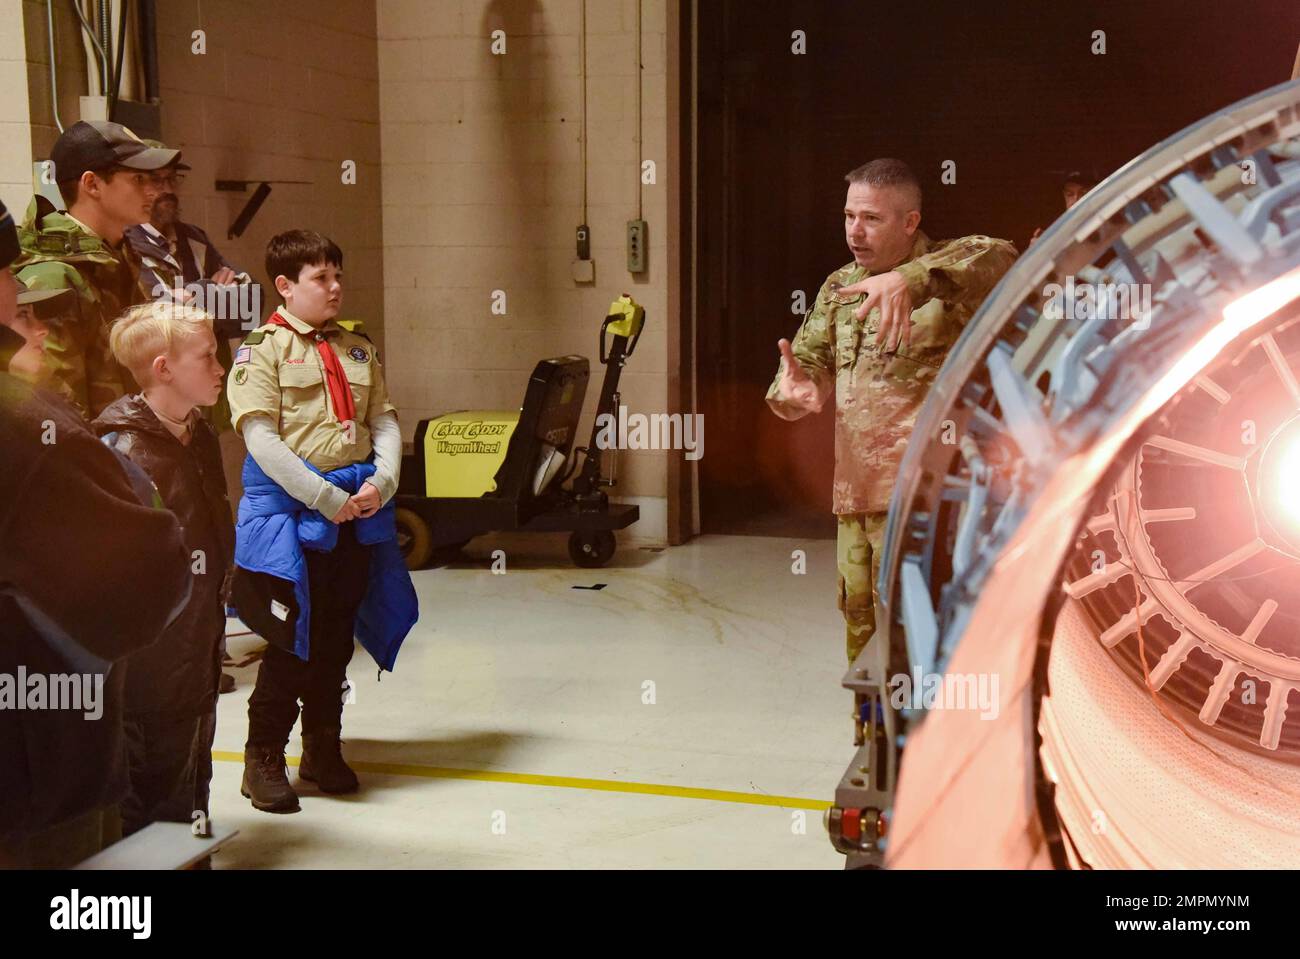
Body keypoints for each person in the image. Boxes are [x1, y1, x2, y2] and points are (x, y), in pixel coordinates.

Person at [0, 199, 192, 867]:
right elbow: (149, 571)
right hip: (35, 783)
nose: (22, 298)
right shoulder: (24, 423)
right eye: (8, 281)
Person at [766, 158, 1017, 665]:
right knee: (862, 629)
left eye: (872, 219)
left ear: (910, 222)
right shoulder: (840, 287)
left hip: (925, 504)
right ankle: (871, 734)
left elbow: (1003, 255)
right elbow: (810, 362)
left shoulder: (948, 277)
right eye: (849, 216)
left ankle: (927, 742)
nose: (855, 232)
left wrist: (912, 278)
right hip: (855, 498)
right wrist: (793, 389)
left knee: (926, 630)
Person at [227, 229, 416, 813]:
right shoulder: (261, 350)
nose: (334, 288)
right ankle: (262, 758)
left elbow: (381, 421)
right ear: (284, 286)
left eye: (337, 275)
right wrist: (325, 500)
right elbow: (262, 440)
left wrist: (381, 484)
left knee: (335, 638)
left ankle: (321, 747)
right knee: (291, 639)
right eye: (320, 278)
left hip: (357, 513)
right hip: (293, 517)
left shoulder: (357, 346)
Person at [92, 302, 234, 838]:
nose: (220, 367)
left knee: (190, 783)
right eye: (206, 357)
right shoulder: (122, 451)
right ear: (164, 369)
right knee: (150, 798)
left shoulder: (197, 435)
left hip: (195, 650)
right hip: (151, 667)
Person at [125, 145, 258, 695]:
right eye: (151, 182)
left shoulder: (193, 238)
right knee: (162, 513)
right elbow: (159, 317)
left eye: (169, 179)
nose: (164, 191)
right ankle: (167, 652)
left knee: (208, 504)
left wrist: (195, 300)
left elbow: (247, 304)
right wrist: (204, 297)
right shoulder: (128, 246)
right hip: (152, 398)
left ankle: (209, 644)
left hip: (195, 396)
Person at [10, 120, 180, 418]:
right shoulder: (53, 277)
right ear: (92, 185)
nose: (152, 191)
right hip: (95, 457)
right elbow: (57, 407)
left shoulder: (118, 256)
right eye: (138, 180)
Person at [1029, 168, 1100, 244]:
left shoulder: (1106, 222)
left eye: (1083, 193)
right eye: (1069, 194)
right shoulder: (1056, 230)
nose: (1076, 200)